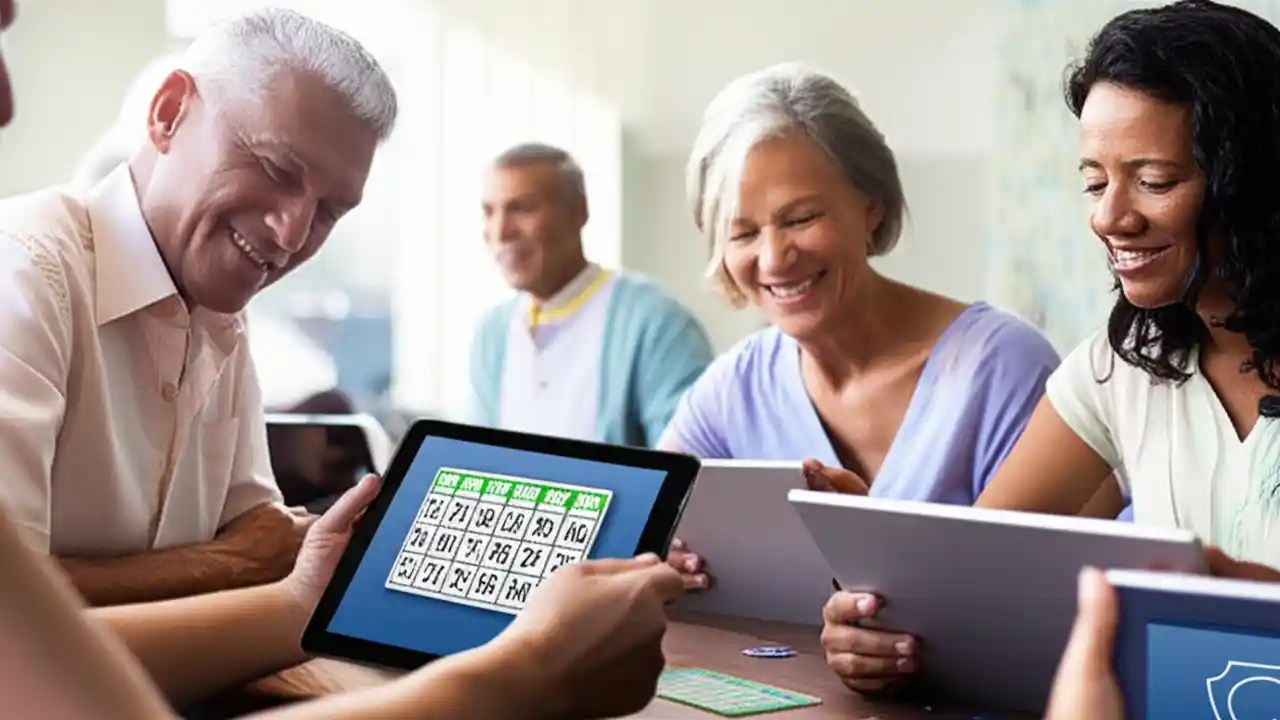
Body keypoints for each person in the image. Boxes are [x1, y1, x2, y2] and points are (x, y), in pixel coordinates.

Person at [822, 0, 1280, 696]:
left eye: (1154, 182)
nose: (1108, 216)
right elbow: (970, 568)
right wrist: (881, 602)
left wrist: (1235, 598)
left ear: (1252, 182)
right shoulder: (1120, 367)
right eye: (1095, 182)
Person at [0, 8, 396, 605]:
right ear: (168, 114)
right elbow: (12, 611)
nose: (292, 235)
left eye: (329, 212)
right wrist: (230, 561)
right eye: (275, 168)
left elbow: (264, 539)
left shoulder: (217, 309)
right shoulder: (25, 273)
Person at [662, 62, 1063, 592]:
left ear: (869, 207)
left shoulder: (1002, 368)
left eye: (800, 219)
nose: (775, 258)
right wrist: (664, 553)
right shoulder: (735, 387)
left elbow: (1048, 593)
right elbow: (646, 523)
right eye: (742, 234)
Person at [470, 142, 714, 447]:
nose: (501, 231)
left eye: (522, 208)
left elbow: (688, 468)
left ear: (578, 212)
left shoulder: (656, 324)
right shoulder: (491, 334)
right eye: (488, 211)